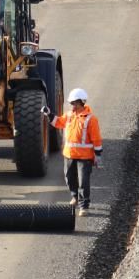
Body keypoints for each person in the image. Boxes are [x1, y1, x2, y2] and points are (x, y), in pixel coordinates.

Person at [43, 88, 103, 216]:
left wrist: (98, 155)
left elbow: (96, 139)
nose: (72, 106)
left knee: (83, 182)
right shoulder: (69, 115)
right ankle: (75, 197)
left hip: (85, 157)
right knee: (69, 178)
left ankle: (84, 206)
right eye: (71, 103)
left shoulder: (91, 119)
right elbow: (59, 123)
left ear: (81, 102)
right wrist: (49, 114)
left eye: (74, 103)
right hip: (69, 154)